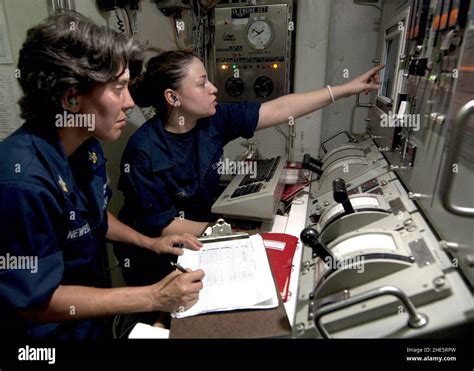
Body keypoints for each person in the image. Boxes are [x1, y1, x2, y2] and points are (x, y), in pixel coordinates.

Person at [0, 12, 204, 340]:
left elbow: (92, 216)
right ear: (71, 97)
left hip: (91, 326)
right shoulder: (20, 184)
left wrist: (150, 242)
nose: (129, 103)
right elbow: (36, 301)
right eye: (118, 88)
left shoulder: (84, 145)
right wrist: (154, 296)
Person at [114, 50, 383, 286]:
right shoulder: (144, 150)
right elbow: (164, 225)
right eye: (202, 83)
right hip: (157, 259)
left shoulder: (213, 119)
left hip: (200, 235)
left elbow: (280, 108)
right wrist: (237, 233)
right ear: (173, 97)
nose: (213, 88)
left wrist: (346, 89)